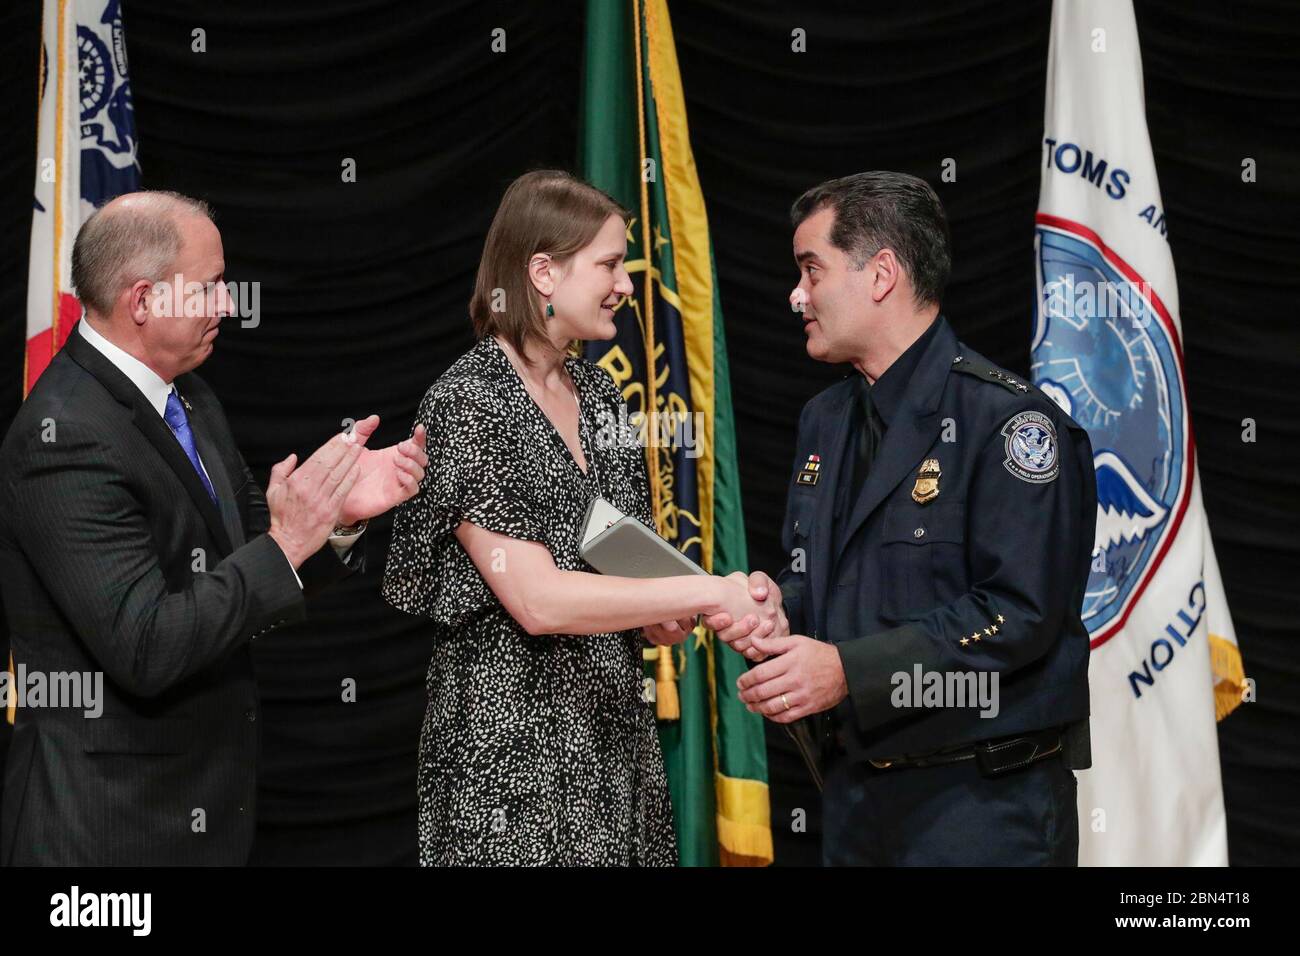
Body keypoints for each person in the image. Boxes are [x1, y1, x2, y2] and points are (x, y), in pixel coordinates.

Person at [0, 191, 428, 865]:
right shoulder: (63, 438)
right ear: (142, 301)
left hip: (203, 815)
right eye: (209, 288)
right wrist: (289, 539)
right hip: (108, 833)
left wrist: (336, 514)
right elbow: (147, 647)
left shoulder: (192, 397)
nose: (229, 305)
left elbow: (252, 562)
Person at [381, 170, 780, 866]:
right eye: (608, 264)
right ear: (542, 272)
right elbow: (536, 600)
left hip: (611, 744)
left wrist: (728, 598)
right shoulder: (469, 402)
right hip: (507, 764)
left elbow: (629, 565)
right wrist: (704, 591)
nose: (627, 284)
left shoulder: (601, 396)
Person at [731, 171, 1096, 865]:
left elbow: (1018, 614)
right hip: (853, 799)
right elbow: (819, 574)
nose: (796, 296)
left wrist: (847, 673)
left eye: (812, 270)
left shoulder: (1011, 424)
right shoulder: (825, 419)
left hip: (979, 808)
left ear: (882, 275)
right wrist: (774, 609)